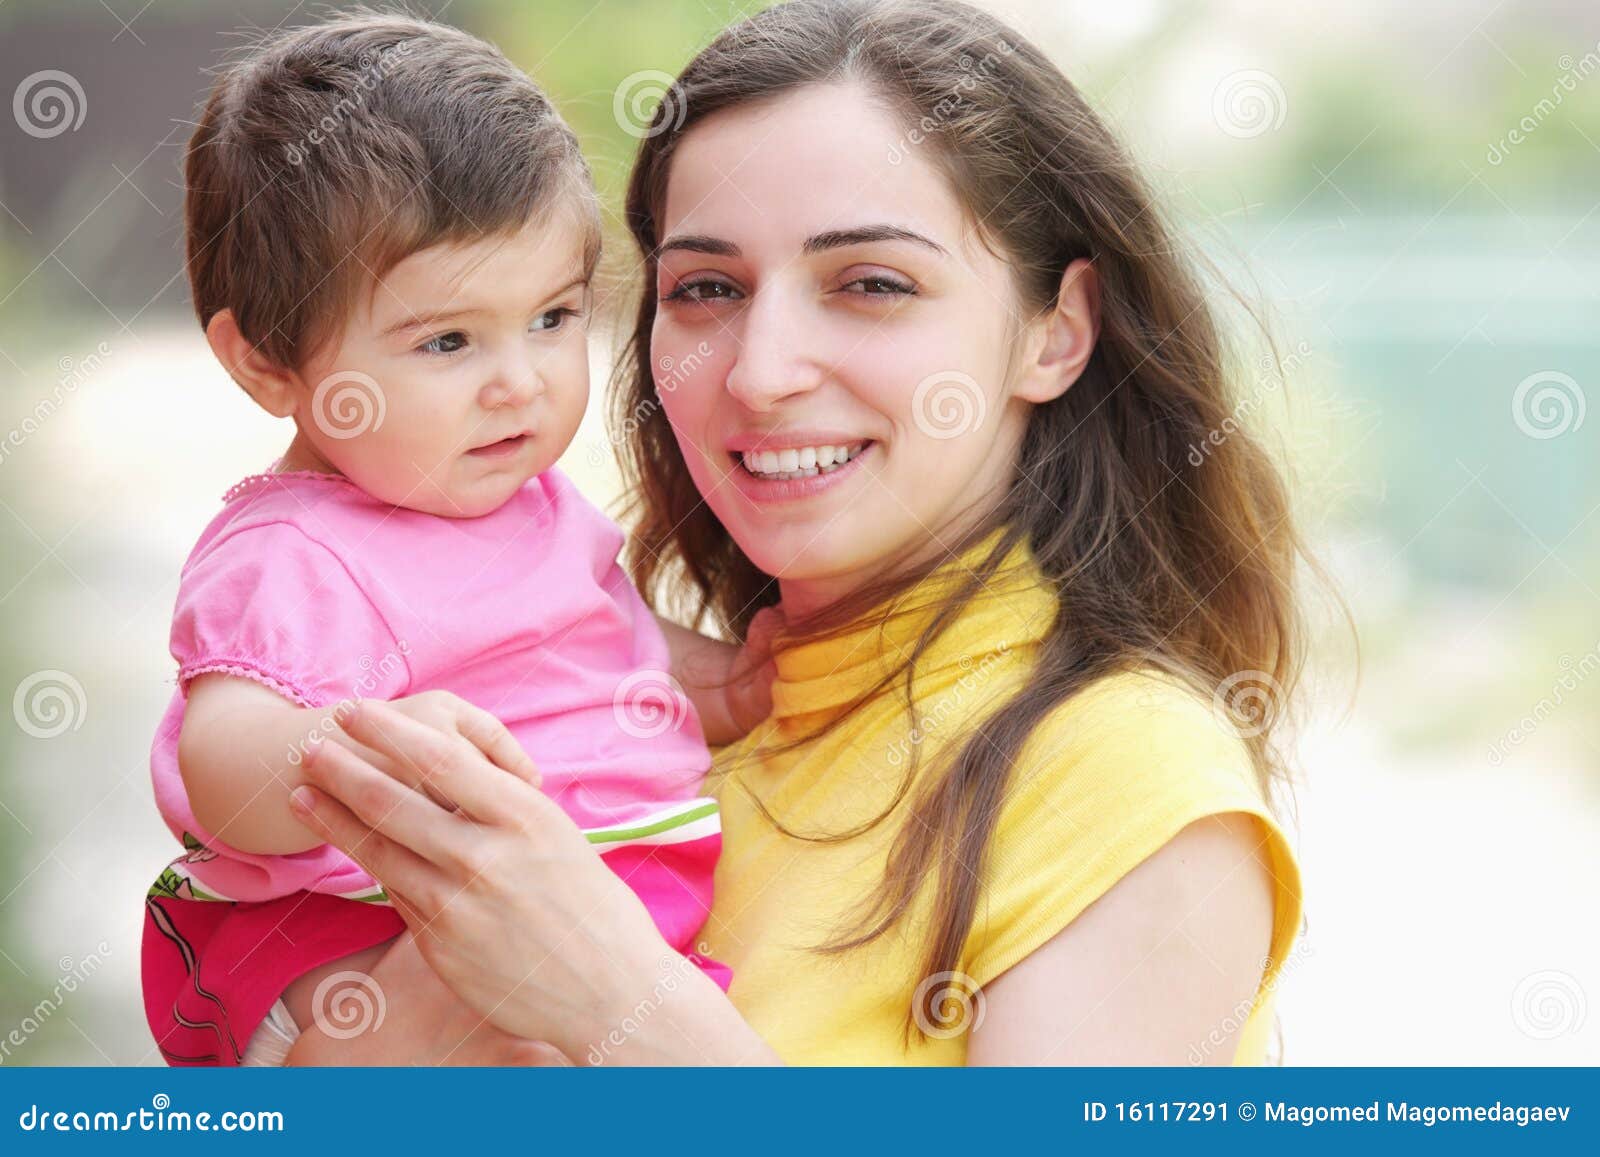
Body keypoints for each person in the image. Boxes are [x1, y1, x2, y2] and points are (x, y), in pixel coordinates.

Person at [285, 0, 1312, 1065]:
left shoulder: (1123, 773)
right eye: (707, 289)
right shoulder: (643, 729)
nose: (760, 369)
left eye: (871, 283)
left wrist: (617, 1002)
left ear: (1055, 332)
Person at [141, 12, 773, 1067]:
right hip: (371, 942)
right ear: (264, 362)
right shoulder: (295, 552)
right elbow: (219, 765)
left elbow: (603, 657)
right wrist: (364, 752)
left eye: (553, 317)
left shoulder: (523, 501)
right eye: (447, 340)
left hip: (581, 924)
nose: (519, 381)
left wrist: (732, 685)